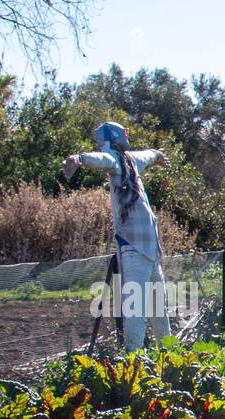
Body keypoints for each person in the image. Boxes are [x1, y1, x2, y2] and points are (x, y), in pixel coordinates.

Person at [62, 123, 171, 353]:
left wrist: (158, 155)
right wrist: (79, 159)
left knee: (159, 311)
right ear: (114, 136)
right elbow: (102, 160)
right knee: (136, 311)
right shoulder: (116, 160)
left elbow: (148, 155)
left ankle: (171, 359)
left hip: (150, 252)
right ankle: (134, 362)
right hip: (133, 249)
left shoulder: (130, 160)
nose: (127, 135)